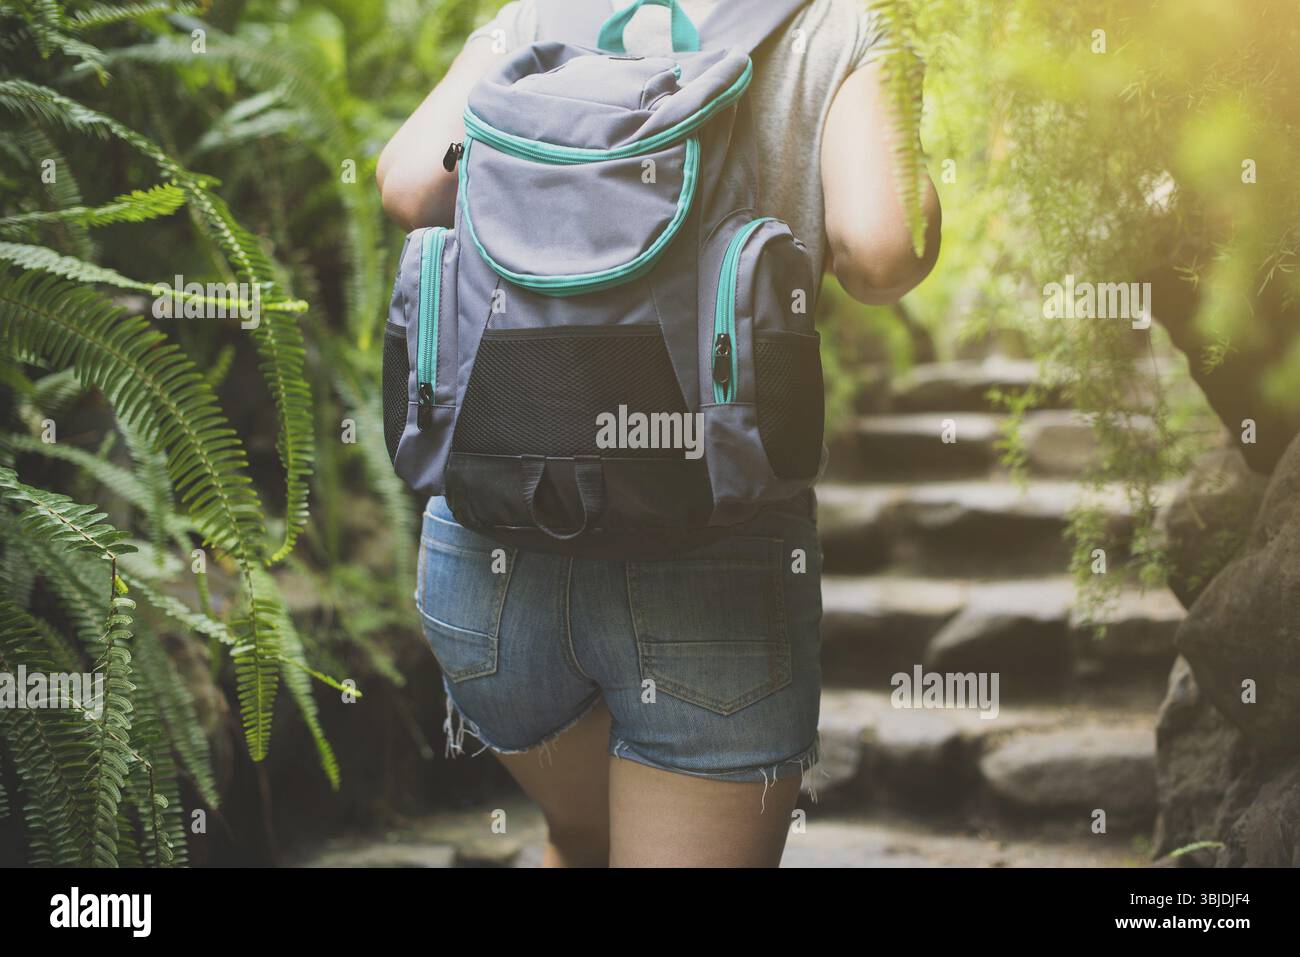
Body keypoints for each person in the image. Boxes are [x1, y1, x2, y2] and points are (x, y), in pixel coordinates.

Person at [376, 0, 941, 868]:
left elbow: (410, 183)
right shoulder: (842, 25)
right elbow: (881, 251)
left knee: (581, 836)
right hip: (716, 557)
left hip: (493, 555)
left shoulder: (536, 13)